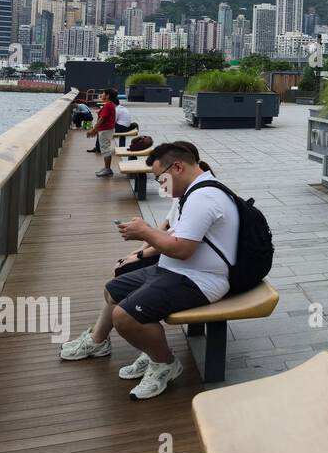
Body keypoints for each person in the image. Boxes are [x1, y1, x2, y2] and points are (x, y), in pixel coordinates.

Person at [60, 141, 238, 400]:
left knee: (124, 317)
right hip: (176, 270)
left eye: (160, 178)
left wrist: (144, 232)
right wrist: (145, 240)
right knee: (113, 290)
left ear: (177, 167)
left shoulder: (204, 197)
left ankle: (164, 362)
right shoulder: (194, 191)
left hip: (200, 280)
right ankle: (127, 346)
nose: (160, 185)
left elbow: (182, 249)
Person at [86, 88, 118, 175]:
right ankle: (106, 168)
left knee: (105, 149)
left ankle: (108, 169)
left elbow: (102, 119)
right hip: (106, 129)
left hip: (106, 130)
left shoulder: (108, 105)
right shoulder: (109, 104)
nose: (101, 95)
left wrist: (93, 130)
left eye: (103, 93)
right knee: (105, 148)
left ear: (107, 96)